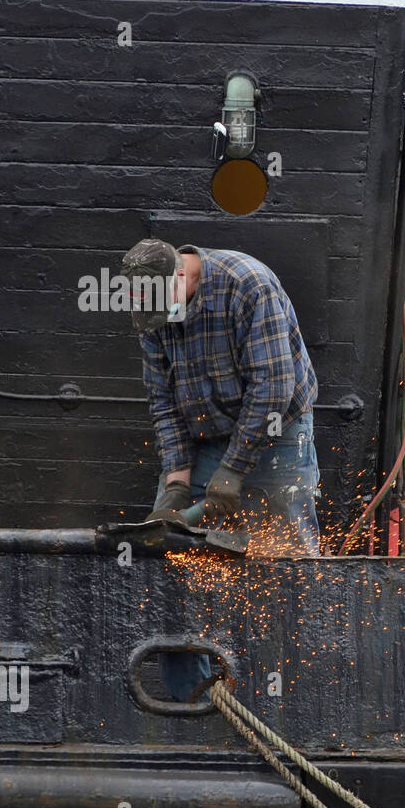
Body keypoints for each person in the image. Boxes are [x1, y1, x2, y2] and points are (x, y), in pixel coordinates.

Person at [120, 238, 320, 701]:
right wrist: (177, 482)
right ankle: (193, 699)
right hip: (204, 434)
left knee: (285, 554)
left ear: (179, 278)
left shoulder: (248, 285)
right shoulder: (153, 308)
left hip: (278, 432)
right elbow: (163, 403)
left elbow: (273, 387)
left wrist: (233, 471)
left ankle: (300, 691)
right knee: (169, 552)